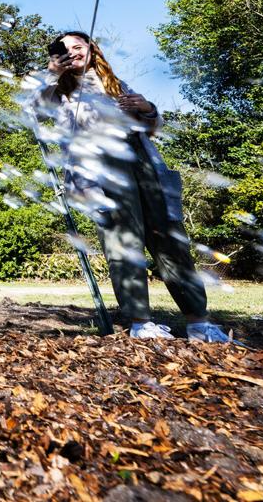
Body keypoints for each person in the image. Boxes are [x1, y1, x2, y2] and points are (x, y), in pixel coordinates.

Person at [38, 30, 233, 343]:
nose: (72, 52)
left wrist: (147, 108)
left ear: (92, 48)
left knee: (170, 239)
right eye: (64, 49)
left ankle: (199, 323)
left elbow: (151, 127)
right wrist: (51, 71)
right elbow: (32, 105)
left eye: (78, 46)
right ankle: (141, 323)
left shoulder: (116, 83)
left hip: (142, 161)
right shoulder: (59, 86)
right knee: (124, 242)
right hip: (101, 166)